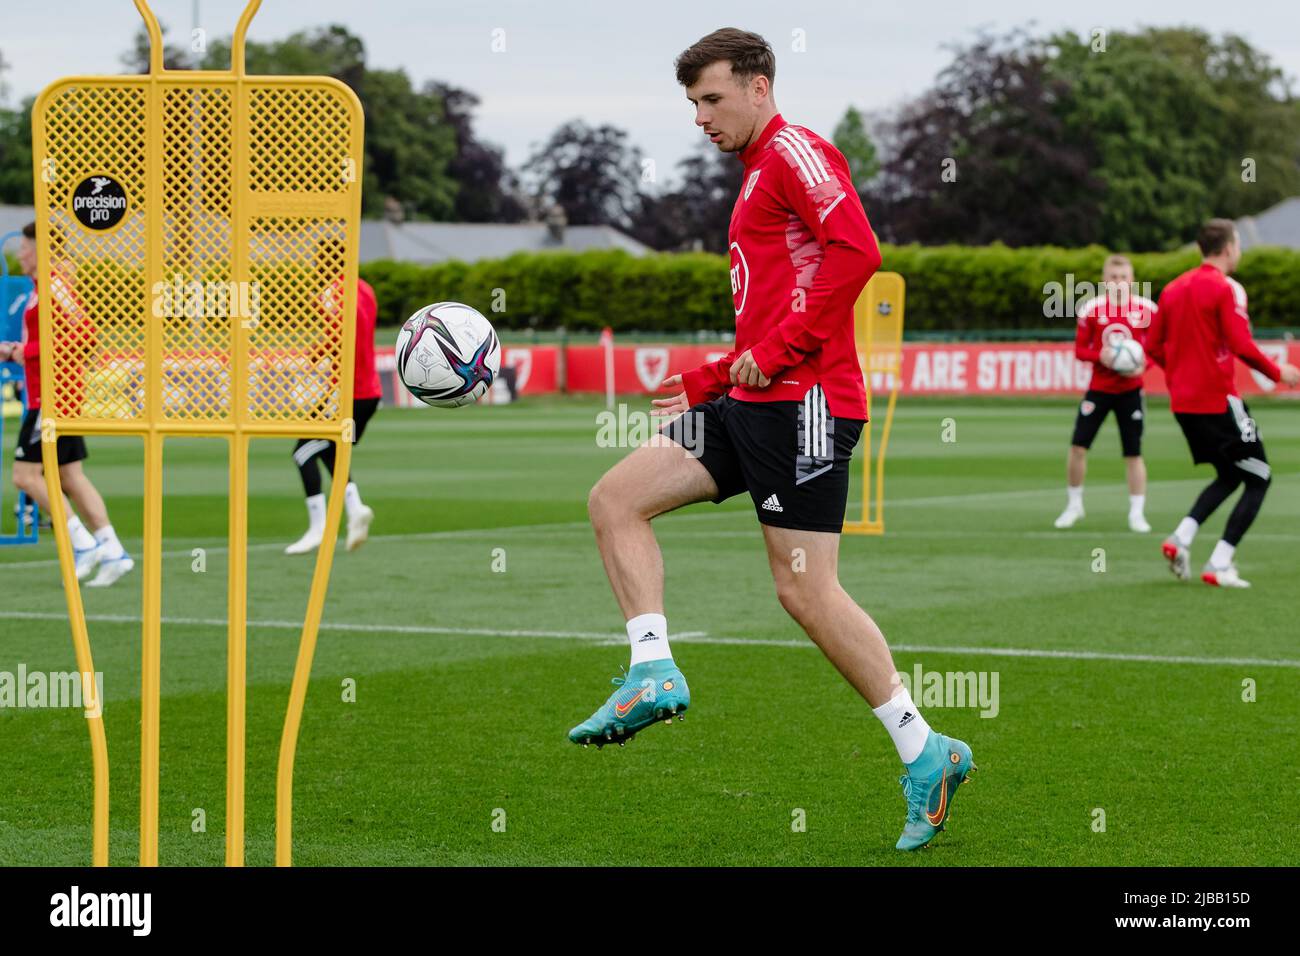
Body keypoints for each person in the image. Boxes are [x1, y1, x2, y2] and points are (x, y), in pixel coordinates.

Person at [569, 28, 975, 851]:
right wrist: (716, 375)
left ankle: (925, 749)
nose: (700, 117)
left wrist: (772, 357)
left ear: (759, 86)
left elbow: (857, 252)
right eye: (691, 103)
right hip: (753, 401)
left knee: (804, 592)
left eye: (712, 98)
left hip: (811, 408)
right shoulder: (757, 173)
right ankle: (652, 670)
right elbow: (772, 313)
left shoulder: (796, 152)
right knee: (615, 500)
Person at [1146, 219, 1300, 588]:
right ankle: (1220, 562)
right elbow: (1241, 344)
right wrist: (1279, 373)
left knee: (1232, 474)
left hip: (1183, 405)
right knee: (1260, 477)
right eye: (1238, 245)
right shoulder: (1225, 289)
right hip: (1217, 403)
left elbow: (1151, 346)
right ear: (1229, 247)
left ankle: (1180, 538)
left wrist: (1178, 374)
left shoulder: (1172, 289)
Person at [0, 222, 132, 586]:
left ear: (41, 249)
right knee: (70, 476)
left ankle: (82, 541)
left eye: (26, 247)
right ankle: (113, 549)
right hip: (54, 393)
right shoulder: (42, 287)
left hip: (53, 397)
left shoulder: (55, 284)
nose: (21, 254)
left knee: (25, 476)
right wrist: (18, 353)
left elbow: (86, 333)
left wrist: (21, 352)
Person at [284, 245, 381, 555]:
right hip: (369, 392)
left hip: (347, 395)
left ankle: (318, 527)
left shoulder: (332, 292)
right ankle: (355, 509)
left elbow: (341, 337)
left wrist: (318, 351)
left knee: (303, 452)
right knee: (330, 451)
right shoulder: (365, 289)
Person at [1053, 255, 1157, 532]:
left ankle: (1137, 513)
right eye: (1113, 277)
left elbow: (1161, 349)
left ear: (1132, 281)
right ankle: (1074, 505)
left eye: (1123, 277)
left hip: (1131, 392)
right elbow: (1079, 350)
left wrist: (1143, 365)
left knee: (1133, 453)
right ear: (1104, 281)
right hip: (1099, 390)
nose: (1118, 282)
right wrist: (1101, 356)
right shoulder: (1091, 310)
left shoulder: (1148, 310)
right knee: (1077, 447)